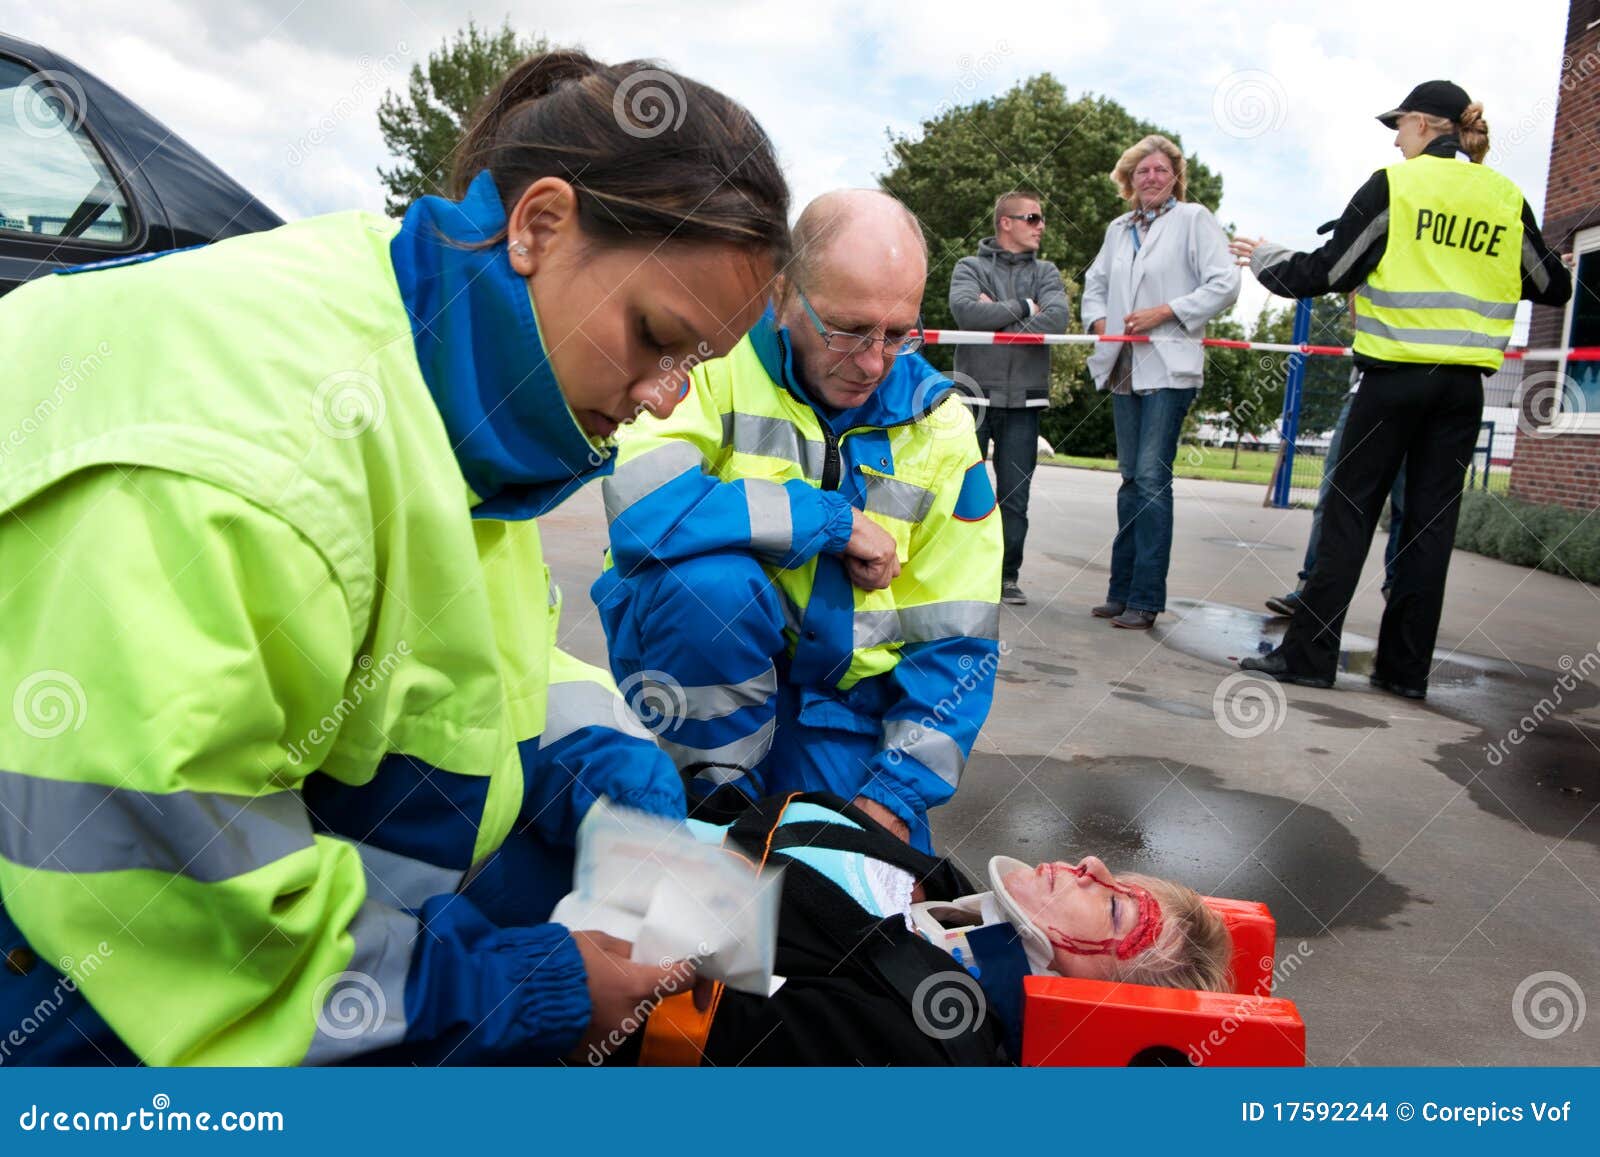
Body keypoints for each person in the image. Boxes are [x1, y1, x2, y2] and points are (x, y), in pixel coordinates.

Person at [0, 51, 791, 1066]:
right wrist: (525, 989)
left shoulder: (440, 342)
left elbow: (468, 650)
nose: (664, 395)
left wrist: (604, 761)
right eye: (656, 337)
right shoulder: (256, 473)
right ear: (540, 224)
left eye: (695, 365)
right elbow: (173, 919)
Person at [594, 189, 1003, 854]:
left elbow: (958, 638)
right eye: (847, 329)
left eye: (898, 334)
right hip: (706, 683)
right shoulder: (711, 358)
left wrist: (895, 794)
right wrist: (829, 520)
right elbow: (642, 510)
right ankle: (708, 801)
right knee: (708, 589)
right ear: (782, 293)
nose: (872, 362)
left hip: (842, 712)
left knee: (861, 899)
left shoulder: (943, 427)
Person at [1232, 81, 1571, 697]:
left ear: (1421, 123)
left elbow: (1330, 271)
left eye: (1399, 127)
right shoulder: (1504, 195)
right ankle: (1405, 672)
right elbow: (1551, 285)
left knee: (1348, 515)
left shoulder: (1395, 185)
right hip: (1462, 391)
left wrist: (1265, 259)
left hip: (1394, 380)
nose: (1395, 141)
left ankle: (1309, 658)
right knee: (1429, 528)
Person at [609, 791, 1232, 1066]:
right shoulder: (940, 888)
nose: (1092, 865)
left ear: (1089, 997)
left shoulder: (921, 1042)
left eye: (1118, 909)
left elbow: (648, 1026)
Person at [1081, 135, 1240, 630]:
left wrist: (1167, 312)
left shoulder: (1193, 219)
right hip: (1123, 365)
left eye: (1160, 170)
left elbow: (1225, 283)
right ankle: (1120, 592)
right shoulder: (1118, 229)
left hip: (1169, 367)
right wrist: (1098, 322)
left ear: (1175, 178)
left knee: (1151, 479)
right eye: (1142, 171)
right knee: (1131, 480)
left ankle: (1146, 599)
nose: (1151, 177)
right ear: (1129, 179)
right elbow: (1096, 284)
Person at [948, 190, 1071, 605]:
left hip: (1025, 401)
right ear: (1006, 222)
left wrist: (998, 314)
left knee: (1015, 497)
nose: (1041, 226)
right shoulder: (969, 267)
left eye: (1041, 218)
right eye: (1032, 218)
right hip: (974, 397)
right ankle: (960, 574)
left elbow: (1056, 321)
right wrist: (1024, 306)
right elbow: (966, 314)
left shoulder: (1047, 271)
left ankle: (1006, 577)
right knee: (963, 490)